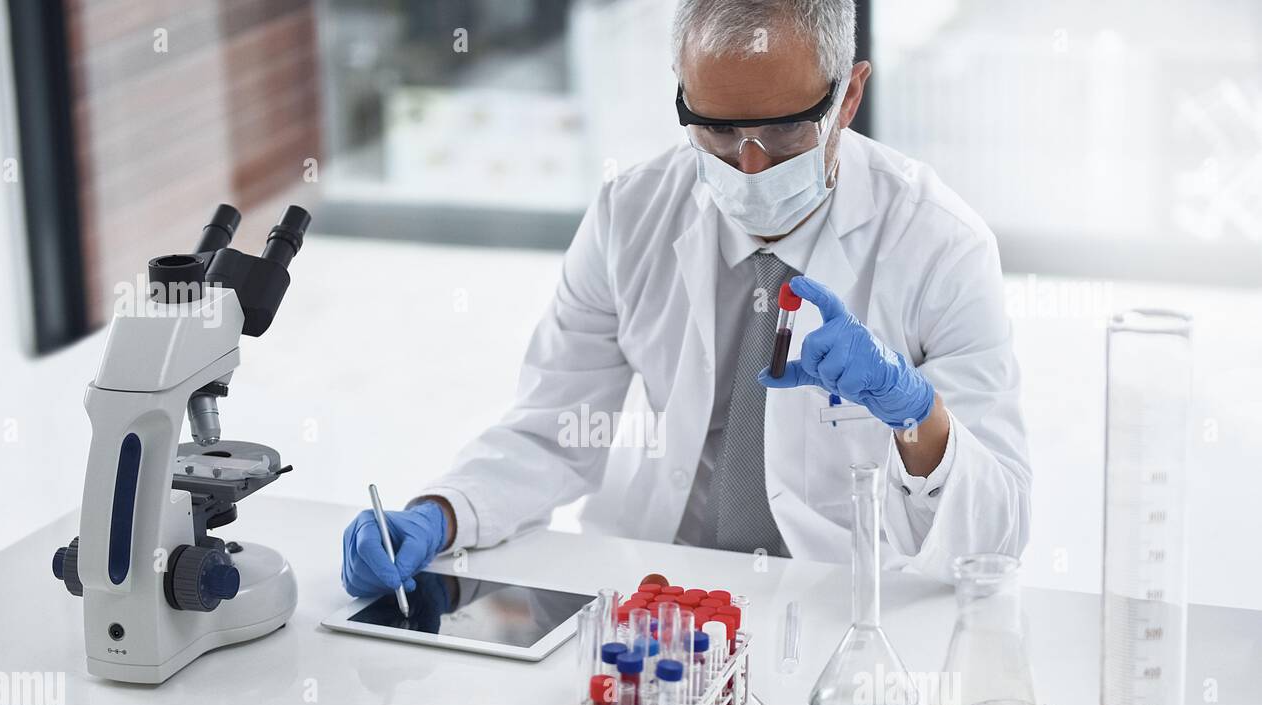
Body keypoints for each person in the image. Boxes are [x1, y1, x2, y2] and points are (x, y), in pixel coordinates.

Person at [341, 0, 1030, 600]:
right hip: (656, 590)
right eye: (719, 131)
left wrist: (916, 415)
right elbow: (554, 430)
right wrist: (443, 512)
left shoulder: (941, 244)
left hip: (837, 604)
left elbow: (997, 532)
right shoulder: (629, 214)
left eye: (786, 132)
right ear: (683, 94)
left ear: (848, 99)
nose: (751, 166)